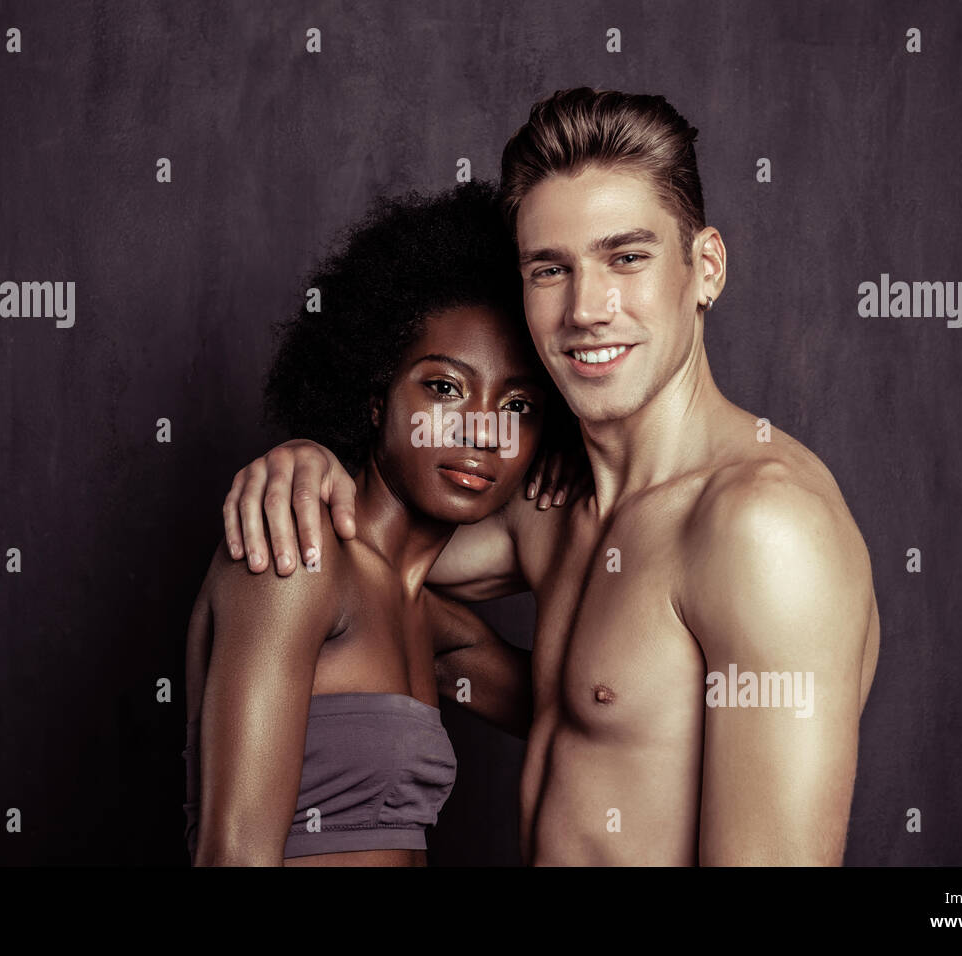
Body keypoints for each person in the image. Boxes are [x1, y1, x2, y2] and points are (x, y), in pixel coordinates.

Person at [219, 88, 882, 865]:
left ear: (704, 268)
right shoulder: (551, 510)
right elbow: (366, 568)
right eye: (549, 269)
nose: (587, 308)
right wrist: (309, 461)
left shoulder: (763, 529)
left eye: (626, 257)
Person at [184, 180, 567, 866]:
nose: (483, 430)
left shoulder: (436, 624)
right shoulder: (297, 558)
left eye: (518, 407)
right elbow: (232, 857)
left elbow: (602, 712)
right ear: (373, 399)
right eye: (444, 388)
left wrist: (593, 494)